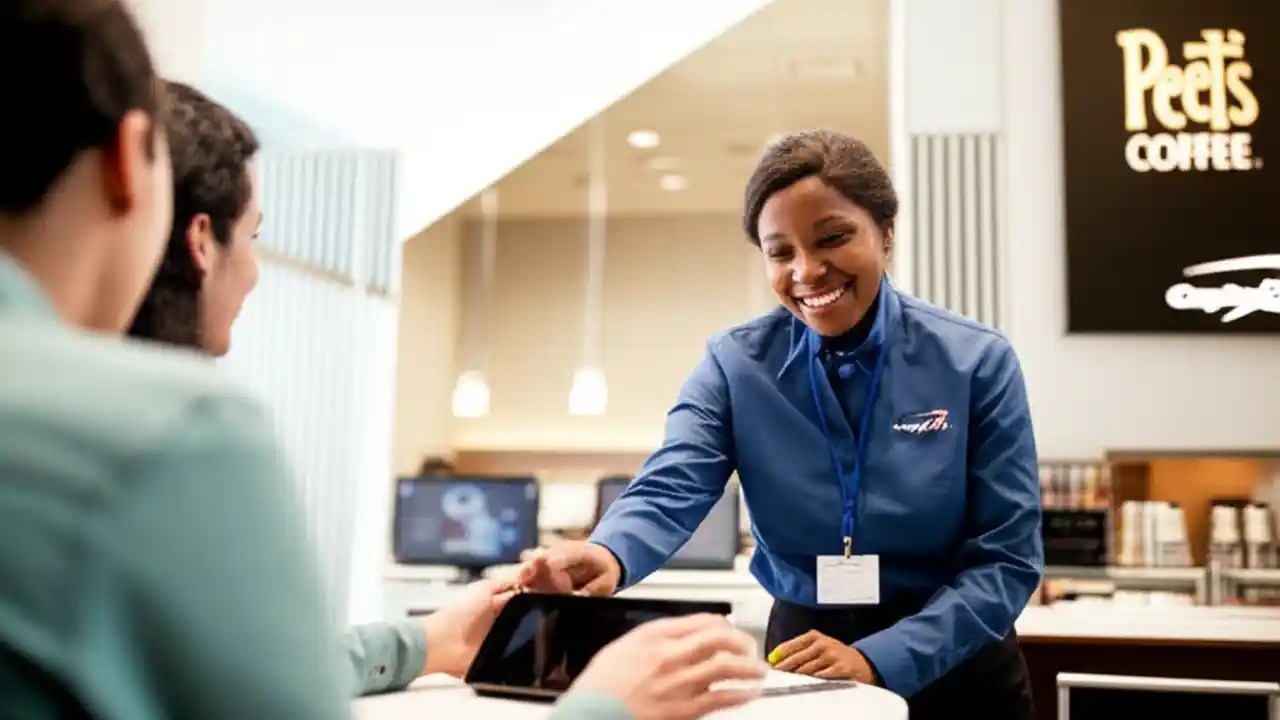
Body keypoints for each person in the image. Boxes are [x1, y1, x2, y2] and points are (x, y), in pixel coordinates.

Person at [0, 1, 765, 718]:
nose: (256, 270)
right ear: (131, 161)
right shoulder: (172, 436)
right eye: (256, 236)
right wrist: (605, 703)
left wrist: (424, 641)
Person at [520, 129, 1044, 718]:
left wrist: (878, 659)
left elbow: (1007, 560)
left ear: (886, 232)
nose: (808, 271)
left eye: (833, 238)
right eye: (780, 252)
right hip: (804, 653)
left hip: (958, 657)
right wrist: (609, 552)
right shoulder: (736, 364)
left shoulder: (975, 361)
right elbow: (673, 483)